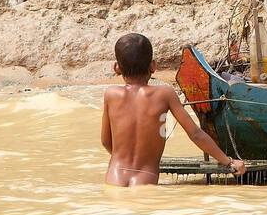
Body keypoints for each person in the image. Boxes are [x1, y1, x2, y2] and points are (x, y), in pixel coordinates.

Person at [102, 33, 246, 186]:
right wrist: (228, 162)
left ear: (116, 67)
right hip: (145, 179)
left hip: (114, 176)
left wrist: (125, 159)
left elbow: (105, 141)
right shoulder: (165, 94)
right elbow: (196, 134)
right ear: (153, 66)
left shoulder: (111, 94)